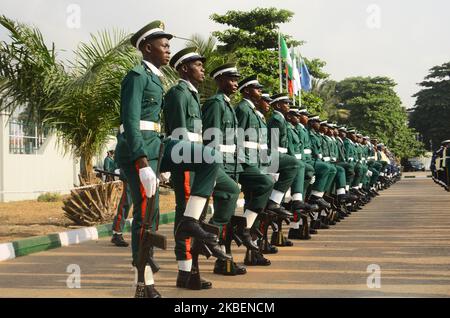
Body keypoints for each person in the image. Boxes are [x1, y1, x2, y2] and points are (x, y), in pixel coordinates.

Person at [114, 21, 228, 297]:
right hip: (137, 151)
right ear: (147, 47)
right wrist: (141, 162)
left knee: (208, 158)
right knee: (146, 216)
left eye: (169, 46)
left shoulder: (154, 78)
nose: (168, 50)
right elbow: (130, 121)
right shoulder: (137, 76)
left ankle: (189, 220)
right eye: (164, 45)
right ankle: (144, 284)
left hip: (159, 146)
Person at [163, 47, 240, 289]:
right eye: (198, 64)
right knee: (186, 216)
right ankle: (186, 272)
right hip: (186, 162)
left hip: (198, 162)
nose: (202, 68)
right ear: (184, 68)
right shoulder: (178, 93)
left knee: (200, 214)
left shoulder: (192, 95)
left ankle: (202, 254)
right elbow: (178, 134)